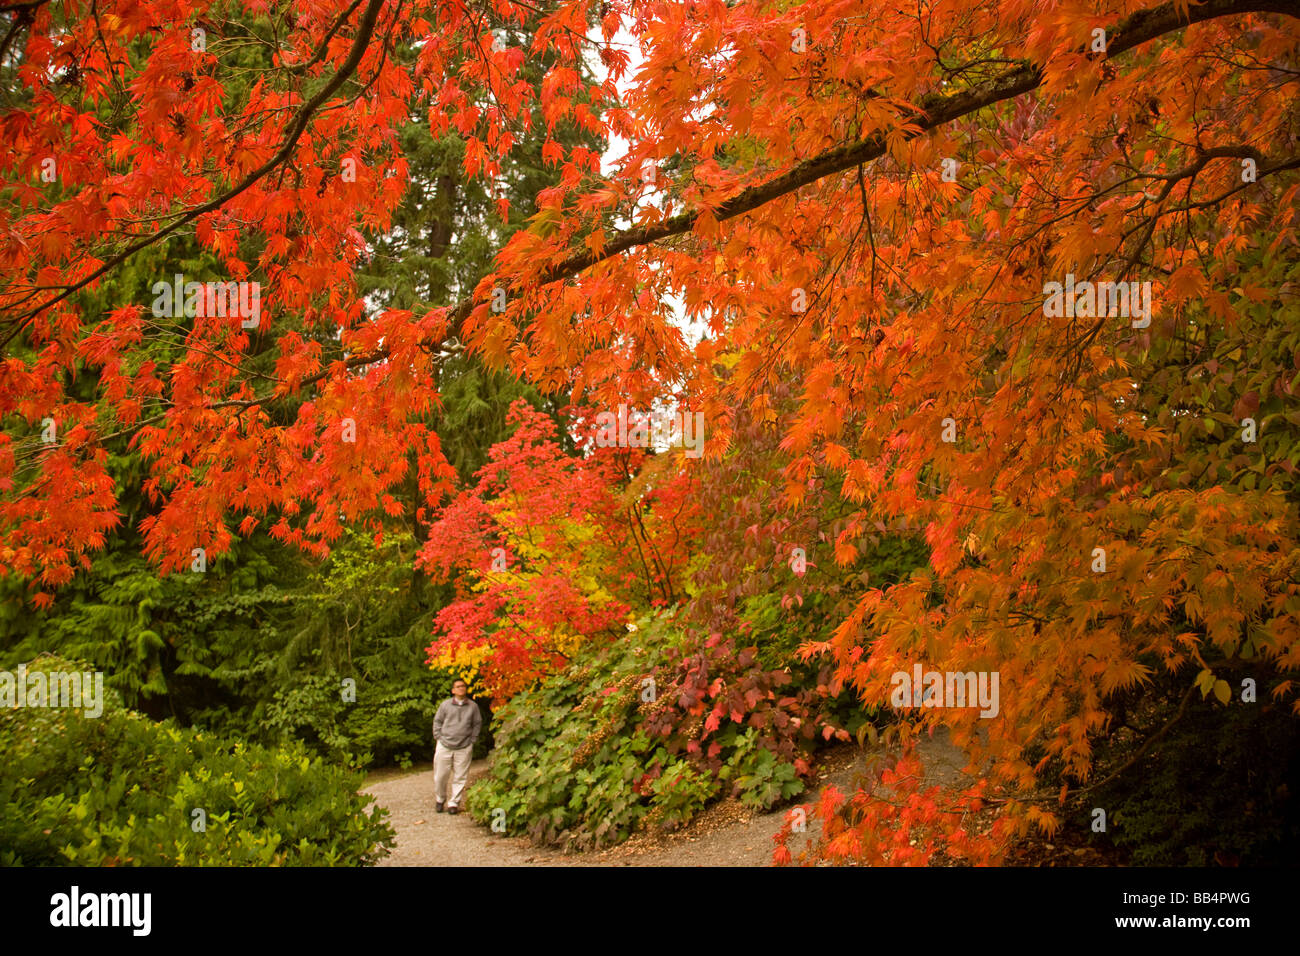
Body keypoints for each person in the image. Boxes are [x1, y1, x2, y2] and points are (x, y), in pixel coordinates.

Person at [432, 678, 482, 814]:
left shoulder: (473, 706)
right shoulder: (445, 705)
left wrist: (472, 739)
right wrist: (438, 736)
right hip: (445, 744)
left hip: (464, 746)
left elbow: (477, 723)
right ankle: (440, 799)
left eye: (463, 686)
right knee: (440, 776)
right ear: (453, 690)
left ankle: (454, 803)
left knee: (460, 776)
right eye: (458, 686)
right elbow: (437, 721)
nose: (461, 688)